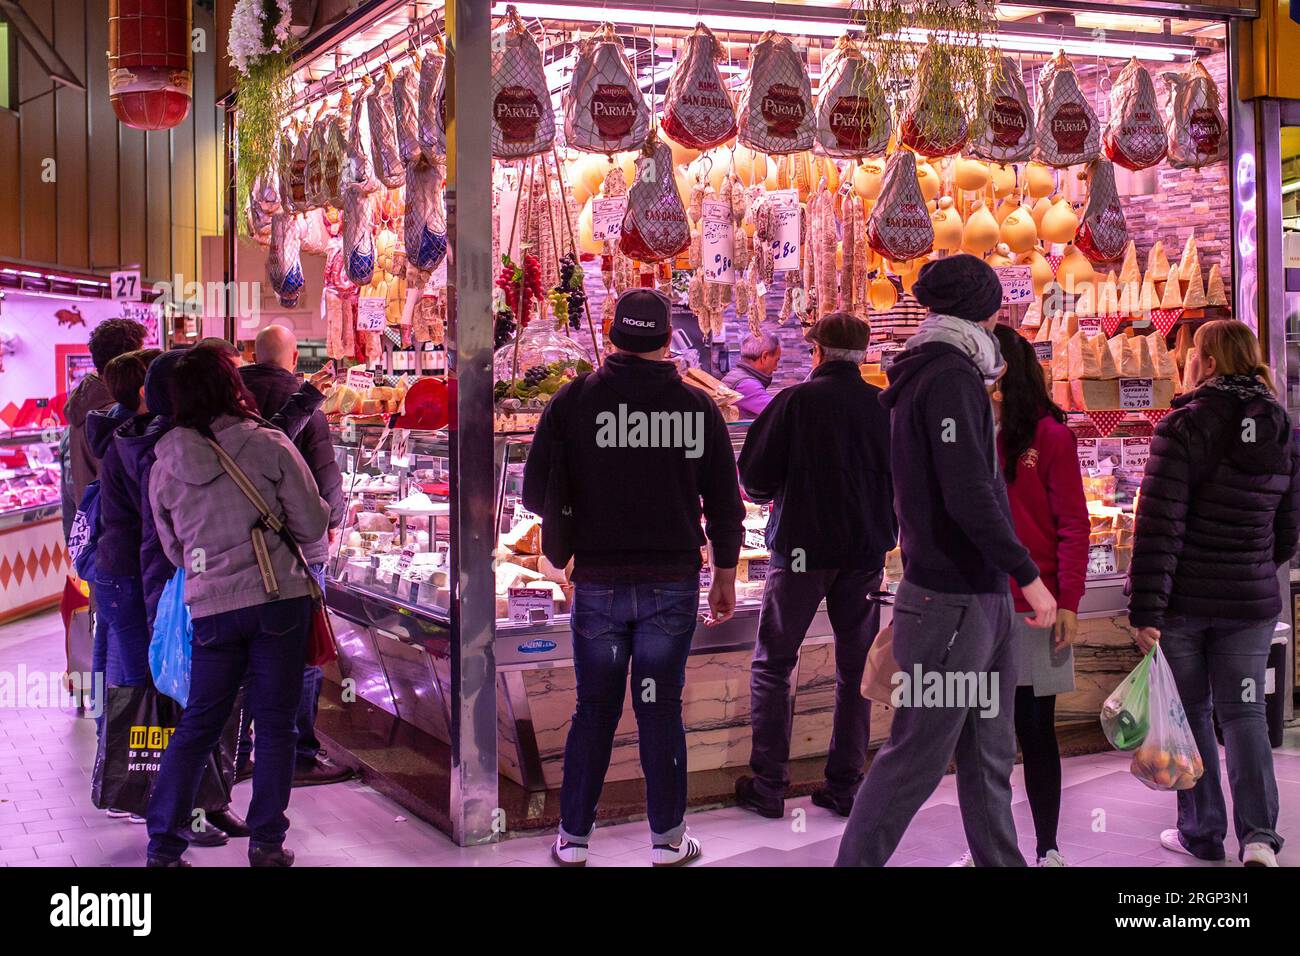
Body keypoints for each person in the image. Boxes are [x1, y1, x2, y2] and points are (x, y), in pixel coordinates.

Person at [835, 254, 1057, 868]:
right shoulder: (950, 376)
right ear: (984, 309)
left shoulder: (937, 370)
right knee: (917, 755)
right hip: (952, 601)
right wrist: (1029, 575)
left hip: (970, 597)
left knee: (990, 752)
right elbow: (968, 494)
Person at [522, 288, 745, 868]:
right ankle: (668, 842)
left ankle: (573, 841)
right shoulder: (697, 408)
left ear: (611, 333)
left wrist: (573, 529)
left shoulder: (572, 402)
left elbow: (531, 490)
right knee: (659, 708)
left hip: (596, 580)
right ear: (669, 340)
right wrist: (725, 571)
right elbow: (725, 502)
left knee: (593, 709)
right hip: (672, 581)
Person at [144, 345, 331, 868]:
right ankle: (267, 843)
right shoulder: (267, 443)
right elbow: (312, 525)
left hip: (210, 607)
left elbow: (176, 550)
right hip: (278, 602)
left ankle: (163, 845)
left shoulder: (165, 463)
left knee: (200, 722)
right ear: (233, 386)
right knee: (274, 724)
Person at [1128, 320, 1300, 868]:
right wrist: (1248, 569)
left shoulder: (1182, 426)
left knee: (1193, 715)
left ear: (1204, 361)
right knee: (1246, 713)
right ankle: (1259, 840)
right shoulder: (1279, 427)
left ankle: (1202, 833)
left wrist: (1145, 609)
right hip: (1248, 604)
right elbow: (1289, 531)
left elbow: (1158, 526)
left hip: (1182, 604)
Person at [733, 313, 895, 820]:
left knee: (774, 665)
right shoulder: (886, 406)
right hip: (866, 555)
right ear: (864, 355)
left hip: (800, 552)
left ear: (818, 353)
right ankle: (845, 785)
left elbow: (754, 478)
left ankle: (769, 785)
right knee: (855, 670)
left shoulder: (795, 401)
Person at [948, 324, 1088, 867]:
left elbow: (1074, 523)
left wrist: (1070, 601)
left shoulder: (1050, 435)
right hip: (977, 604)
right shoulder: (968, 431)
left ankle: (1048, 846)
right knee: (983, 738)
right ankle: (988, 846)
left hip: (1037, 608)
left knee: (1035, 730)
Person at [238, 325, 349, 787]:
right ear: (292, 359)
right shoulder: (307, 402)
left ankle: (240, 748)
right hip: (301, 550)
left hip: (243, 547)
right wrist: (335, 518)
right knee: (303, 649)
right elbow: (325, 476)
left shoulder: (232, 399)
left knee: (246, 652)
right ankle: (300, 748)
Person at [62, 318, 146, 539]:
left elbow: (70, 491)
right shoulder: (117, 415)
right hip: (121, 544)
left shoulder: (82, 408)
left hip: (96, 541)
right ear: (130, 361)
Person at [721, 332, 781, 419]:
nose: (776, 368)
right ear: (764, 356)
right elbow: (781, 412)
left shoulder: (736, 375)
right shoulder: (746, 384)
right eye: (776, 360)